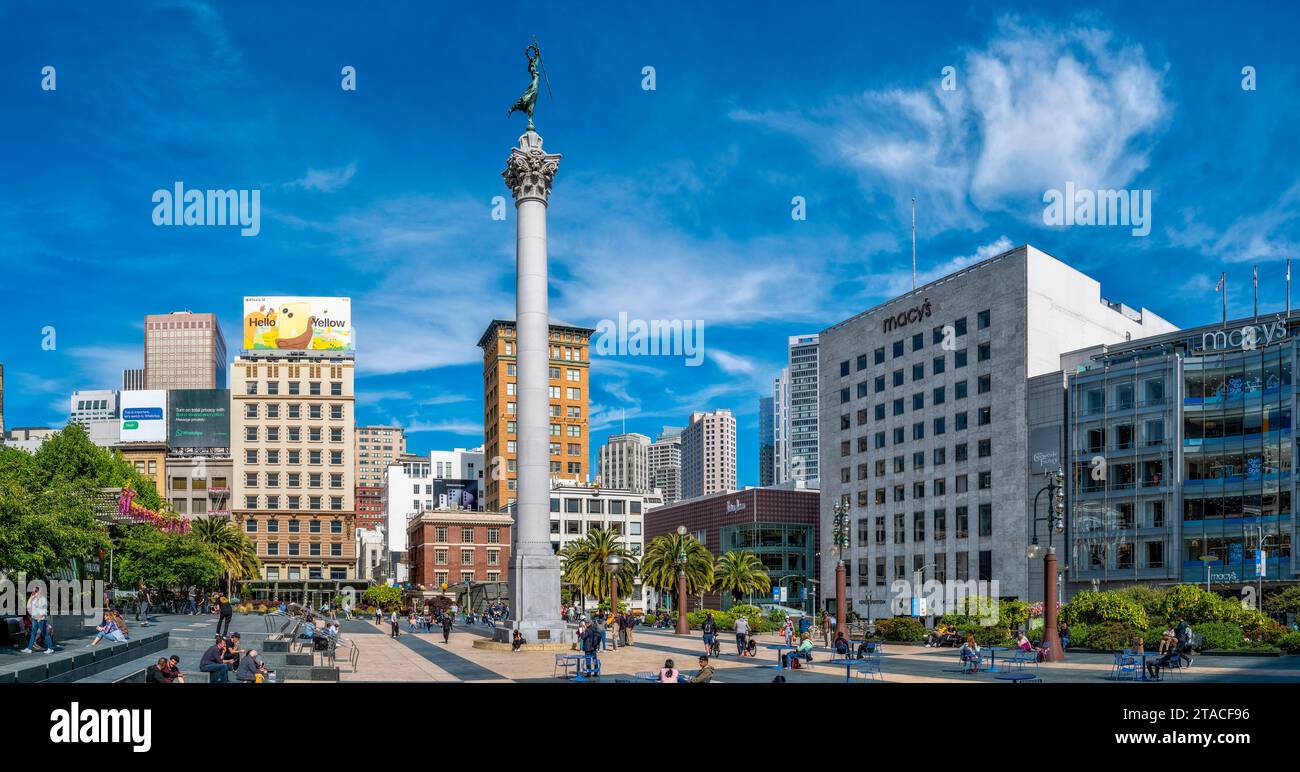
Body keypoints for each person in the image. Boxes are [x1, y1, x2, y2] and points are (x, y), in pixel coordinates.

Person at [21, 585, 54, 655]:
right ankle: (29, 649)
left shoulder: (43, 599)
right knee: (33, 633)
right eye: (33, 591)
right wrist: (31, 597)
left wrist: (39, 617)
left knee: (44, 633)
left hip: (41, 618)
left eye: (35, 591)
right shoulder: (34, 599)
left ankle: (50, 648)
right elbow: (28, 607)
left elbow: (44, 610)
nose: (33, 592)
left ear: (39, 591)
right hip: (34, 618)